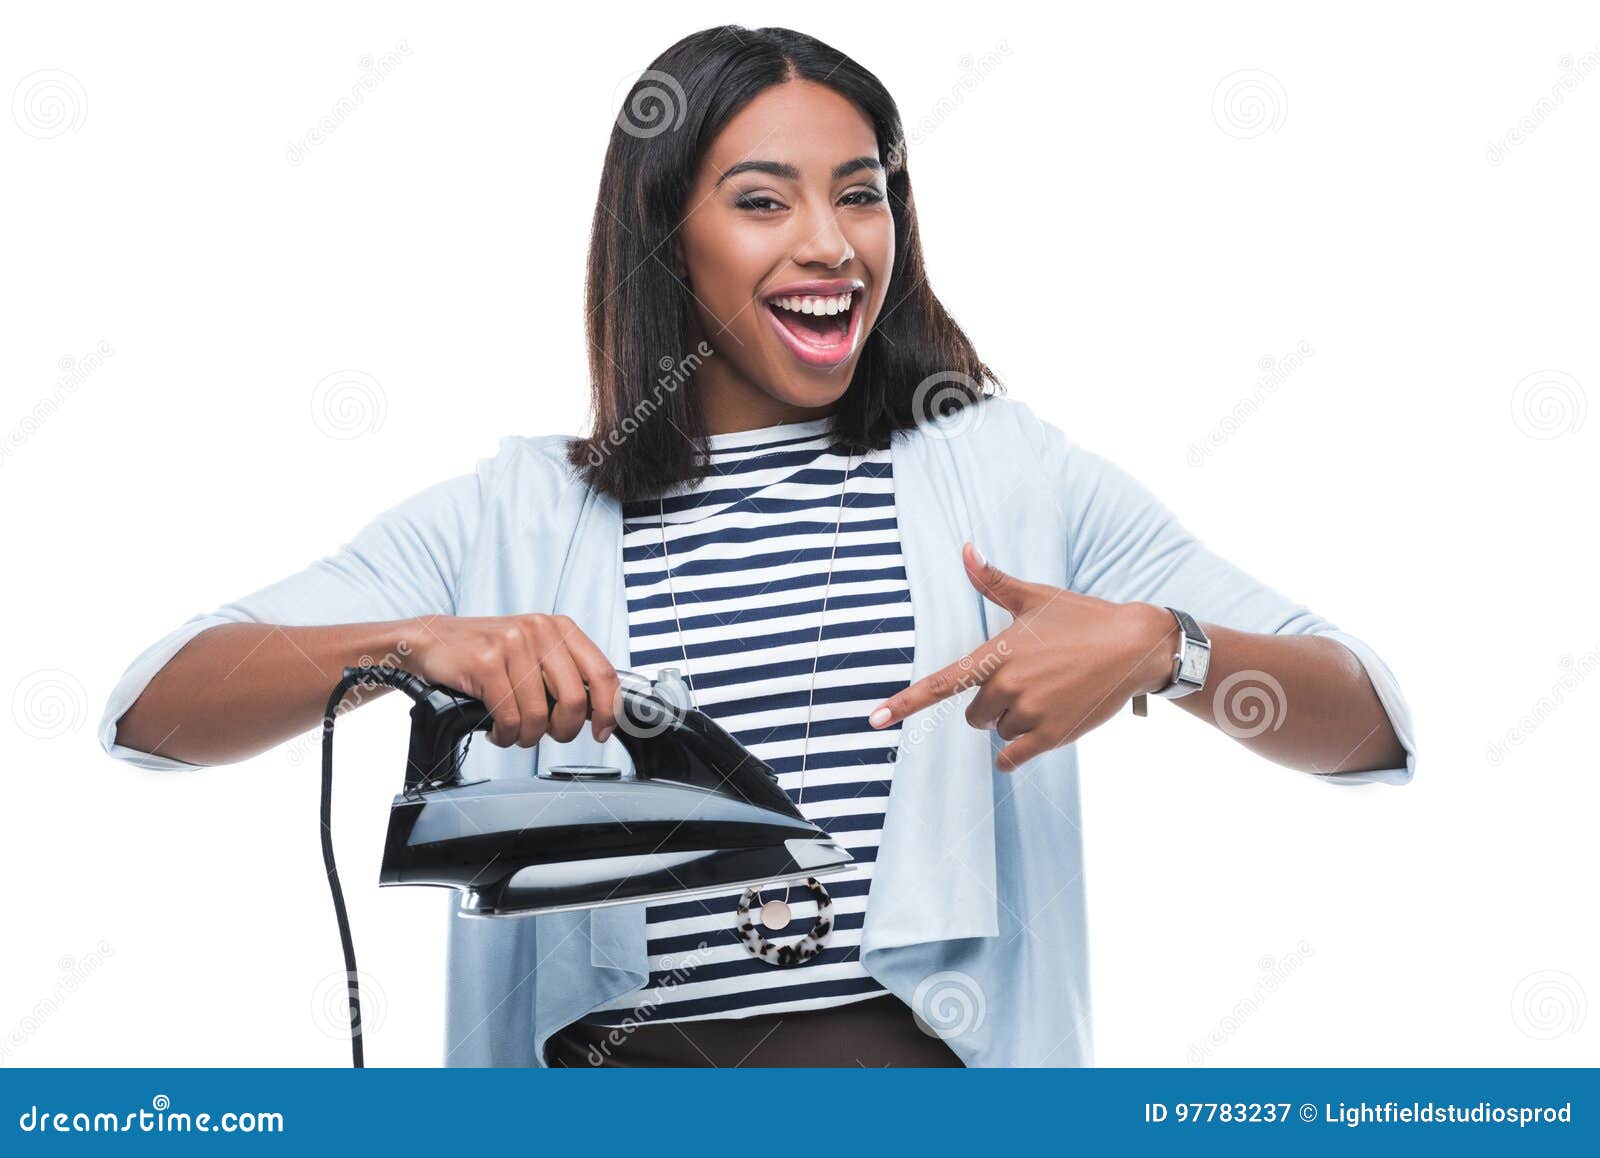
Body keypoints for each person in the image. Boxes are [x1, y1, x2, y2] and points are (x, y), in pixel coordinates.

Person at [100, 25, 1416, 1068]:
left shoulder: (1010, 477)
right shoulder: (514, 517)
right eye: (762, 202)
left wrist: (1165, 648)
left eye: (861, 196)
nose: (830, 244)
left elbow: (1369, 725)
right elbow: (154, 710)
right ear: (665, 233)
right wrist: (417, 644)